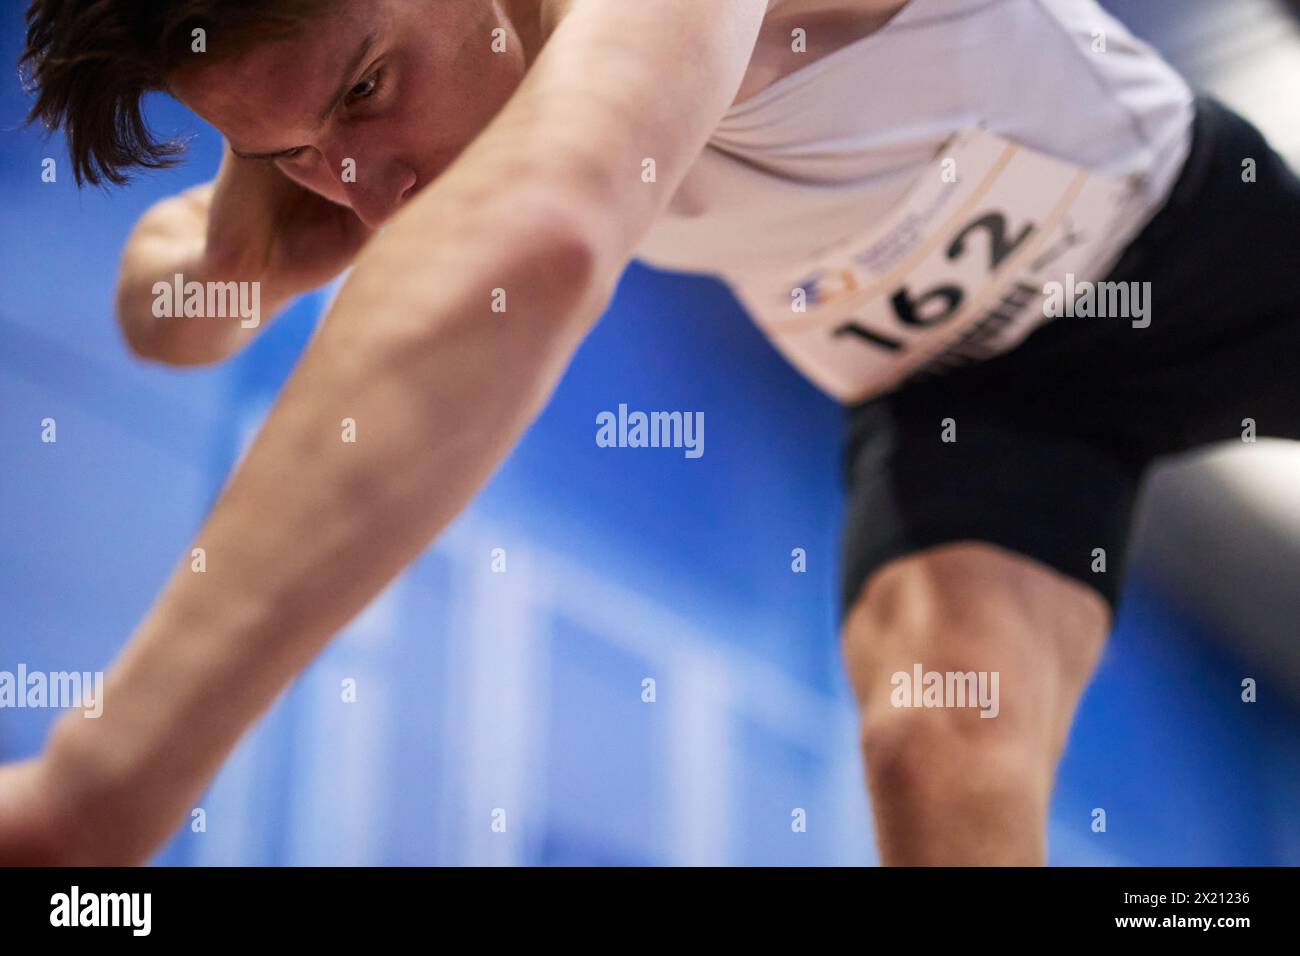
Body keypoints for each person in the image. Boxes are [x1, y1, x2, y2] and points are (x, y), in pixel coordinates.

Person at [2, 0, 1297, 865]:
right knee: (937, 752)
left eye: (369, 90)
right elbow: (166, 317)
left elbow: (545, 236)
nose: (367, 180)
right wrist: (248, 256)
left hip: (1189, 251)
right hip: (958, 380)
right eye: (293, 149)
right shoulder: (336, 82)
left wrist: (100, 793)